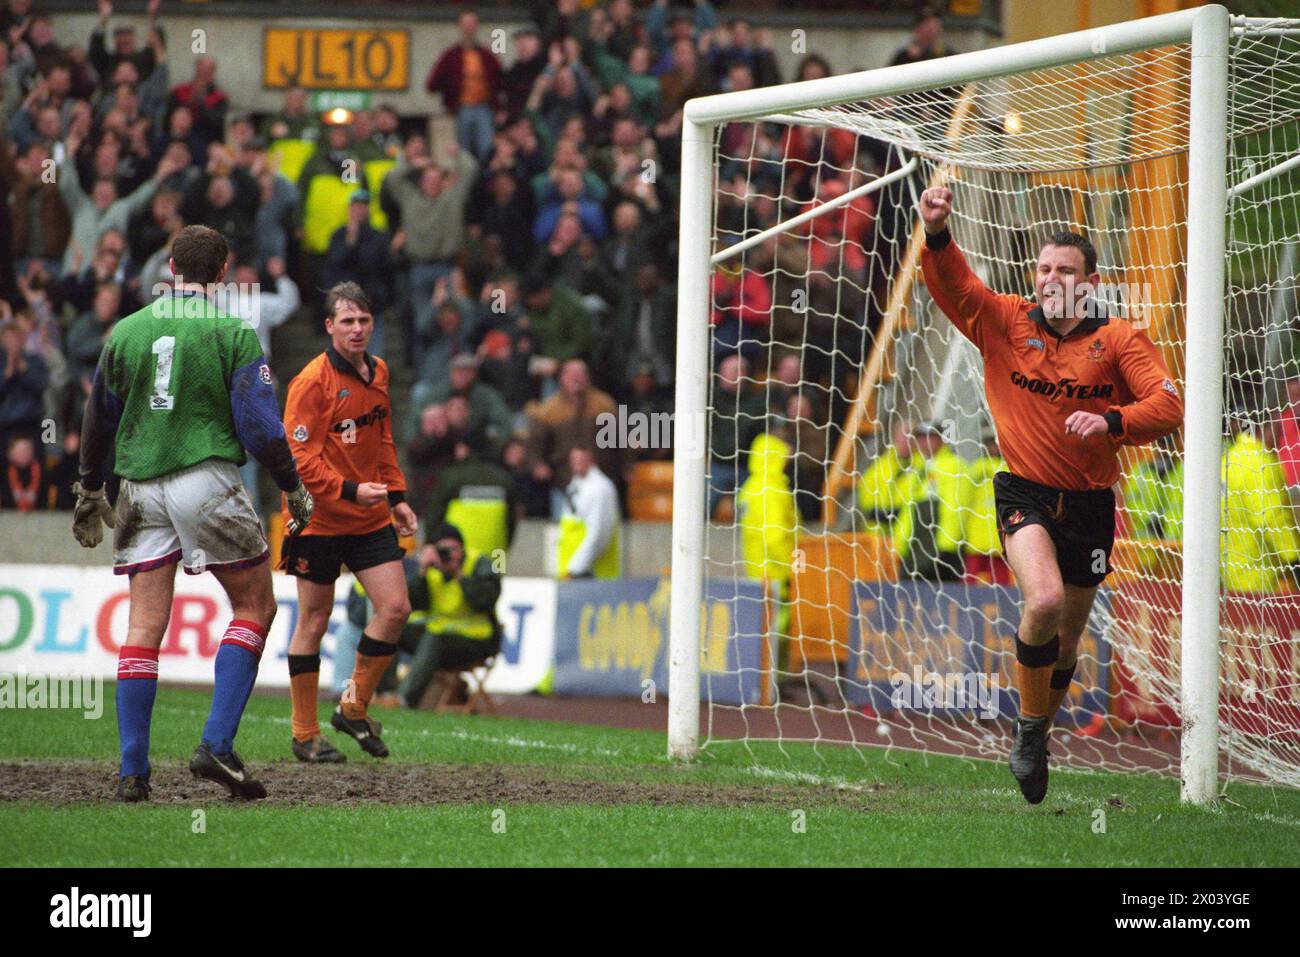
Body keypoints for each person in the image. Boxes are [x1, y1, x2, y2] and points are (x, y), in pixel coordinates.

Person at [919, 185, 1183, 803]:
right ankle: (1030, 732)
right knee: (1041, 602)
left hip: (1090, 504)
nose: (1051, 278)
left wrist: (1112, 421)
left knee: (1068, 640)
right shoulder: (1005, 320)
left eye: (1065, 270)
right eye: (1043, 268)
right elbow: (955, 286)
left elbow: (1169, 404)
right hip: (1024, 493)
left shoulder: (1117, 339)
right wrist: (936, 234)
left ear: (1089, 282)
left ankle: (1038, 728)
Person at [72, 225, 313, 803]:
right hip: (203, 476)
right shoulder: (233, 330)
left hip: (136, 485)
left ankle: (133, 772)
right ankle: (216, 744)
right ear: (222, 273)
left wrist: (87, 486)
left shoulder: (126, 330)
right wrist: (292, 486)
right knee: (255, 605)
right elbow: (260, 426)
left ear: (171, 268)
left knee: (143, 628)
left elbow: (97, 417)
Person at [281, 282, 417, 764]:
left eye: (364, 321)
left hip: (366, 517)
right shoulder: (310, 383)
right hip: (316, 518)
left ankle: (354, 707)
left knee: (396, 607)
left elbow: (382, 440)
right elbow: (297, 458)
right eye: (347, 321)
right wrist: (349, 489)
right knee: (314, 619)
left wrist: (396, 496)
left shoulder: (378, 371)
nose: (357, 329)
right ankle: (303, 733)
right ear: (329, 326)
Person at [397, 522, 502, 708]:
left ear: (462, 548)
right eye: (442, 550)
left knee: (435, 638)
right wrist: (422, 572)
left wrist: (458, 574)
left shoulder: (480, 563)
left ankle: (404, 699)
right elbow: (414, 604)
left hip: (478, 639)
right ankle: (382, 692)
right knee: (391, 629)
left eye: (453, 549)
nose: (448, 555)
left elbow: (485, 601)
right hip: (438, 635)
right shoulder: (432, 567)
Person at [558, 444, 620, 579]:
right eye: (574, 460)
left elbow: (599, 532)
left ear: (591, 460)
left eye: (581, 460)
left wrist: (575, 568)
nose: (577, 464)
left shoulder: (601, 488)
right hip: (573, 571)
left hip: (592, 574)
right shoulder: (575, 485)